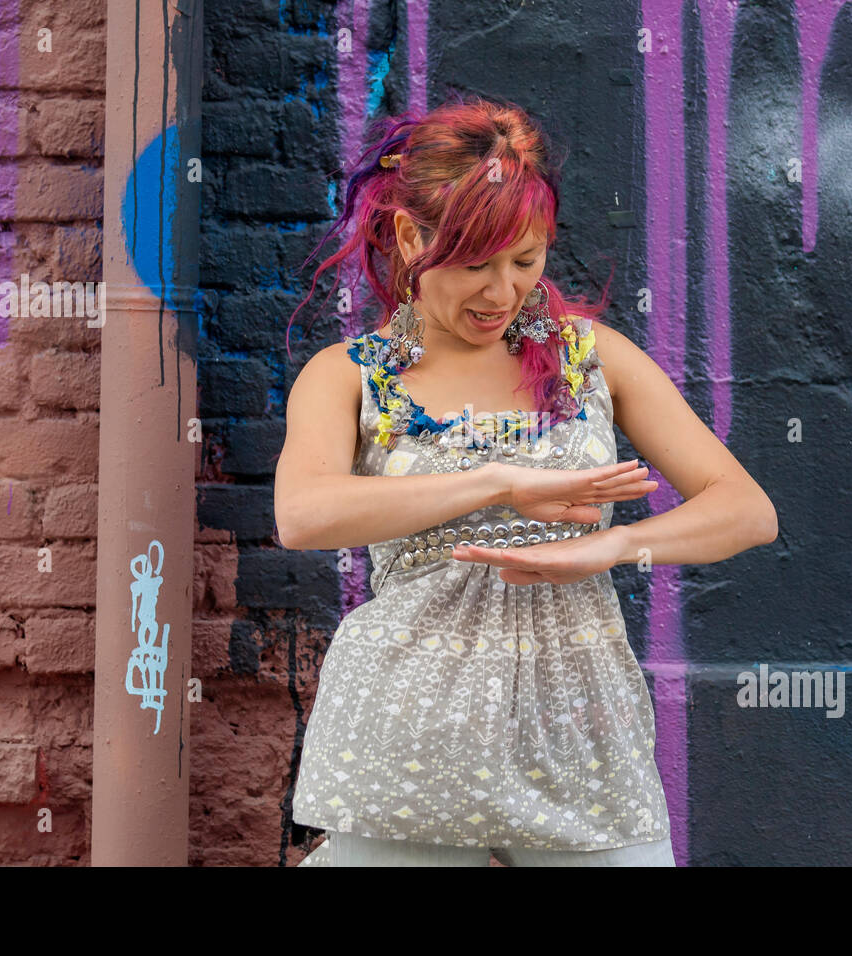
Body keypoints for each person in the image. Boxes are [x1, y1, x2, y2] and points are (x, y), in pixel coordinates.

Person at [274, 94, 777, 866]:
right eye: (474, 264)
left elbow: (746, 511)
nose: (502, 293)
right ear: (411, 238)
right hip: (412, 722)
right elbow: (303, 515)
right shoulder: (350, 376)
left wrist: (613, 549)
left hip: (581, 720)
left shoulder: (591, 356)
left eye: (525, 259)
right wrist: (498, 483)